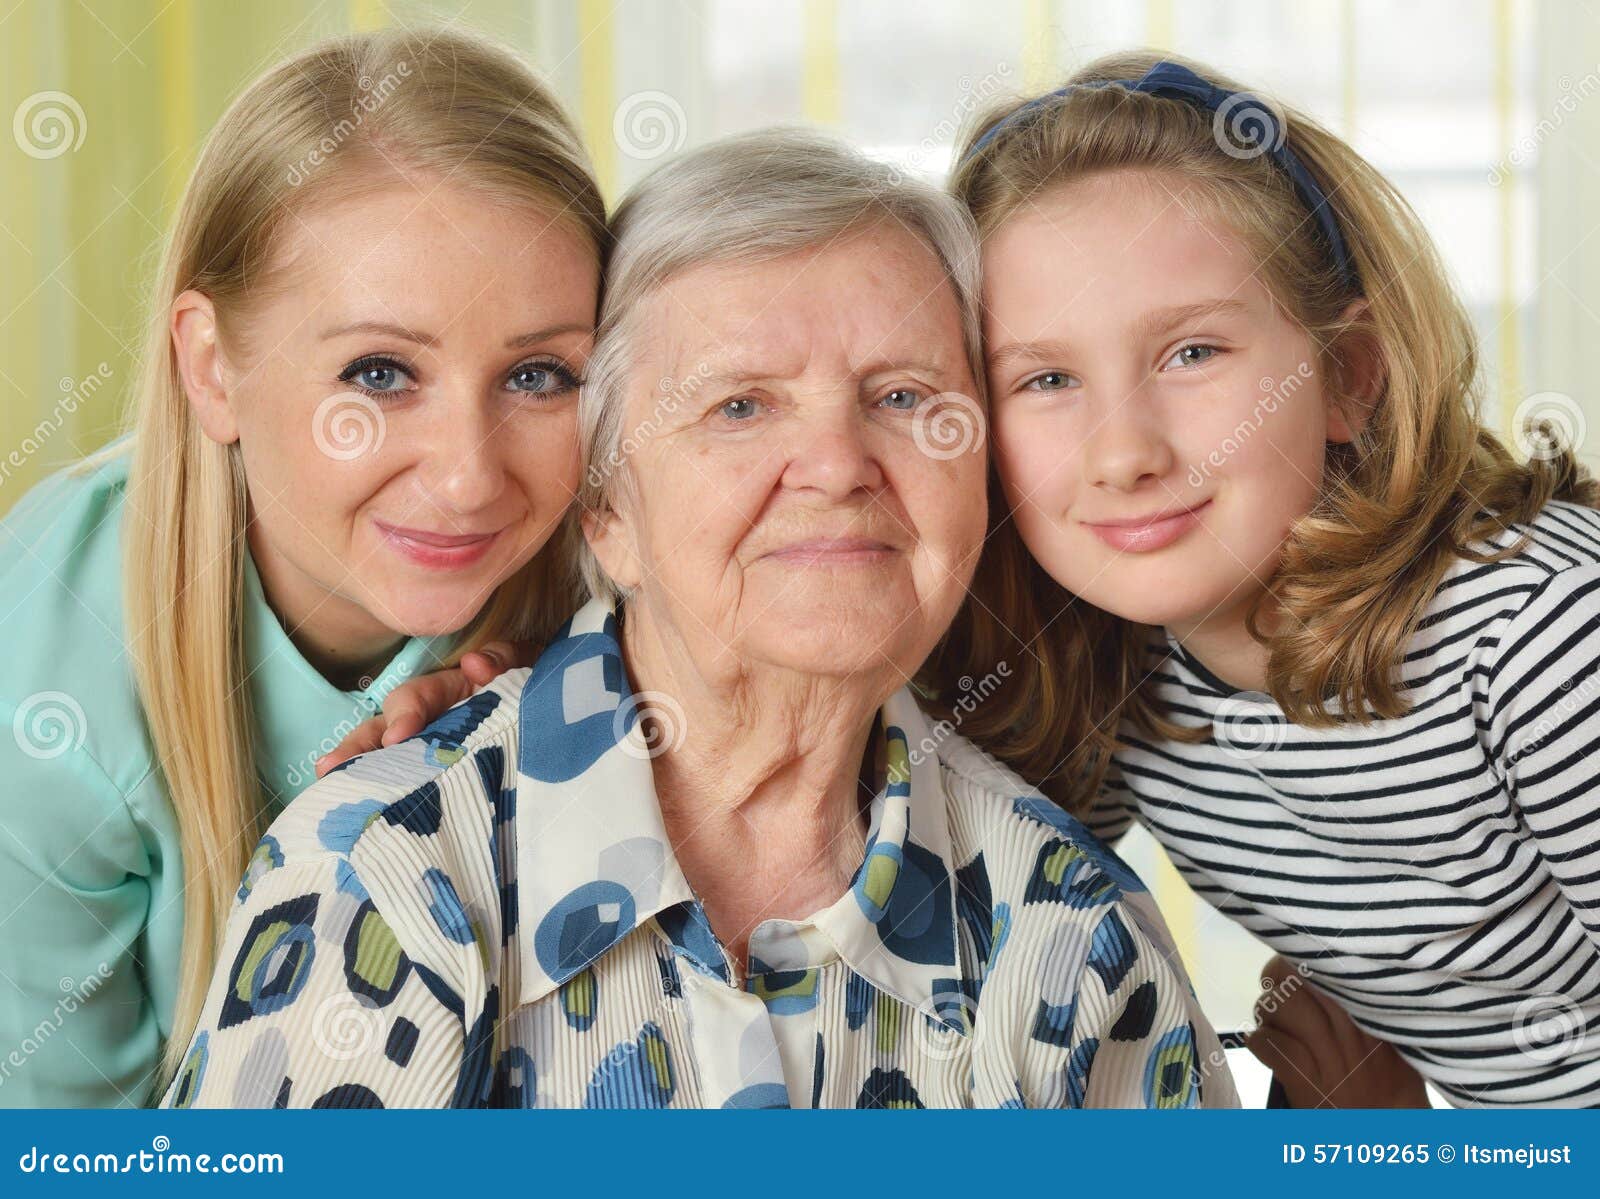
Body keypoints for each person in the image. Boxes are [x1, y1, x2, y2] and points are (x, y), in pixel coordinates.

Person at [159, 129, 1235, 1109]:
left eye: (903, 396)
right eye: (740, 404)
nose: (835, 464)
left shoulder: (1077, 932)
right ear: (607, 511)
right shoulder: (386, 878)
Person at [934, 51, 1600, 1107]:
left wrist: (1388, 1146)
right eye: (1046, 378)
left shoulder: (1540, 638)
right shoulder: (1113, 665)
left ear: (1345, 375)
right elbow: (951, 940)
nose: (1123, 453)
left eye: (1192, 352)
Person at [0, 26, 605, 1107]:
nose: (469, 477)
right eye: (378, 373)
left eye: (539, 374)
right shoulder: (51, 637)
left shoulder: (629, 597)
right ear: (211, 365)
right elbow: (56, 1142)